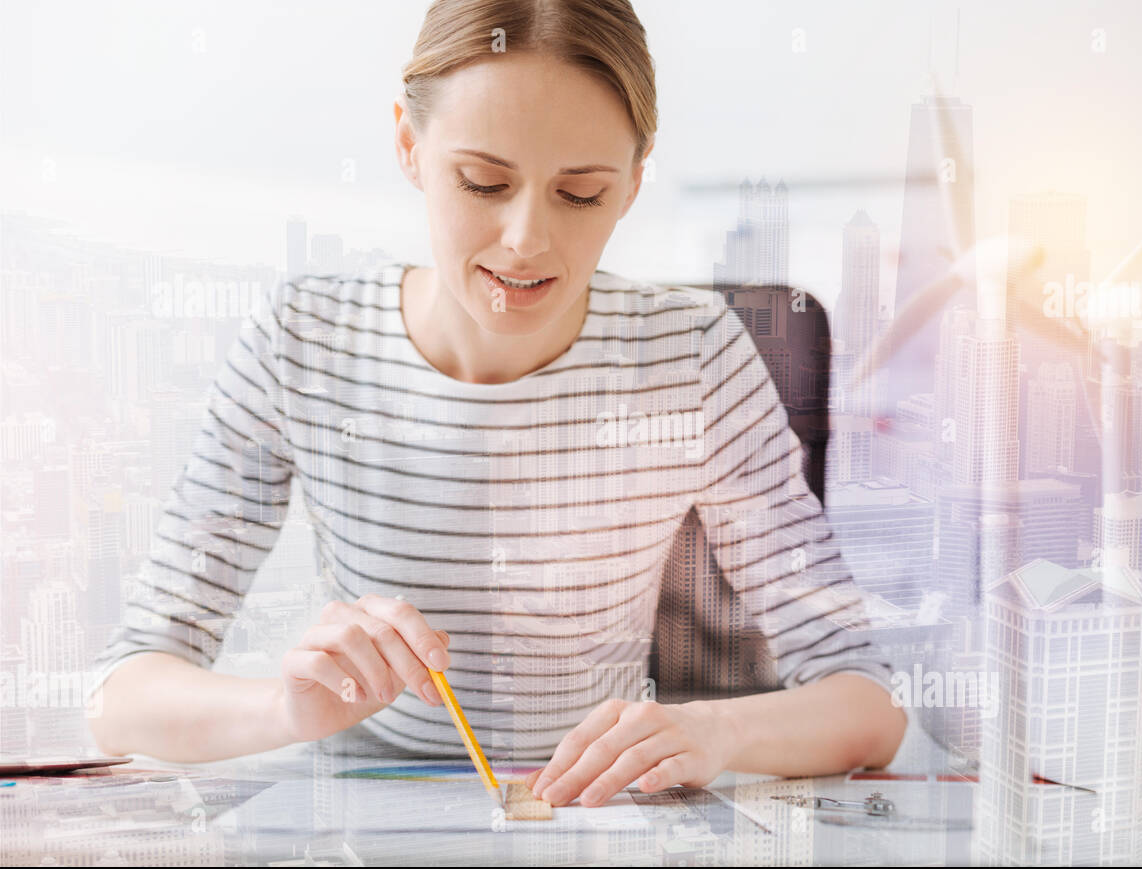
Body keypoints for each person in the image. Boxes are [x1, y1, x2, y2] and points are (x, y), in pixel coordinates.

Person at [87, 0, 906, 809]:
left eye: (580, 193)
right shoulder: (302, 339)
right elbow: (121, 699)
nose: (526, 239)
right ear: (409, 145)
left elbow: (870, 707)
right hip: (363, 818)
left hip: (603, 819)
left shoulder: (693, 354)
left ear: (633, 183)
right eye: (483, 181)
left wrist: (717, 734)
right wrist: (283, 709)